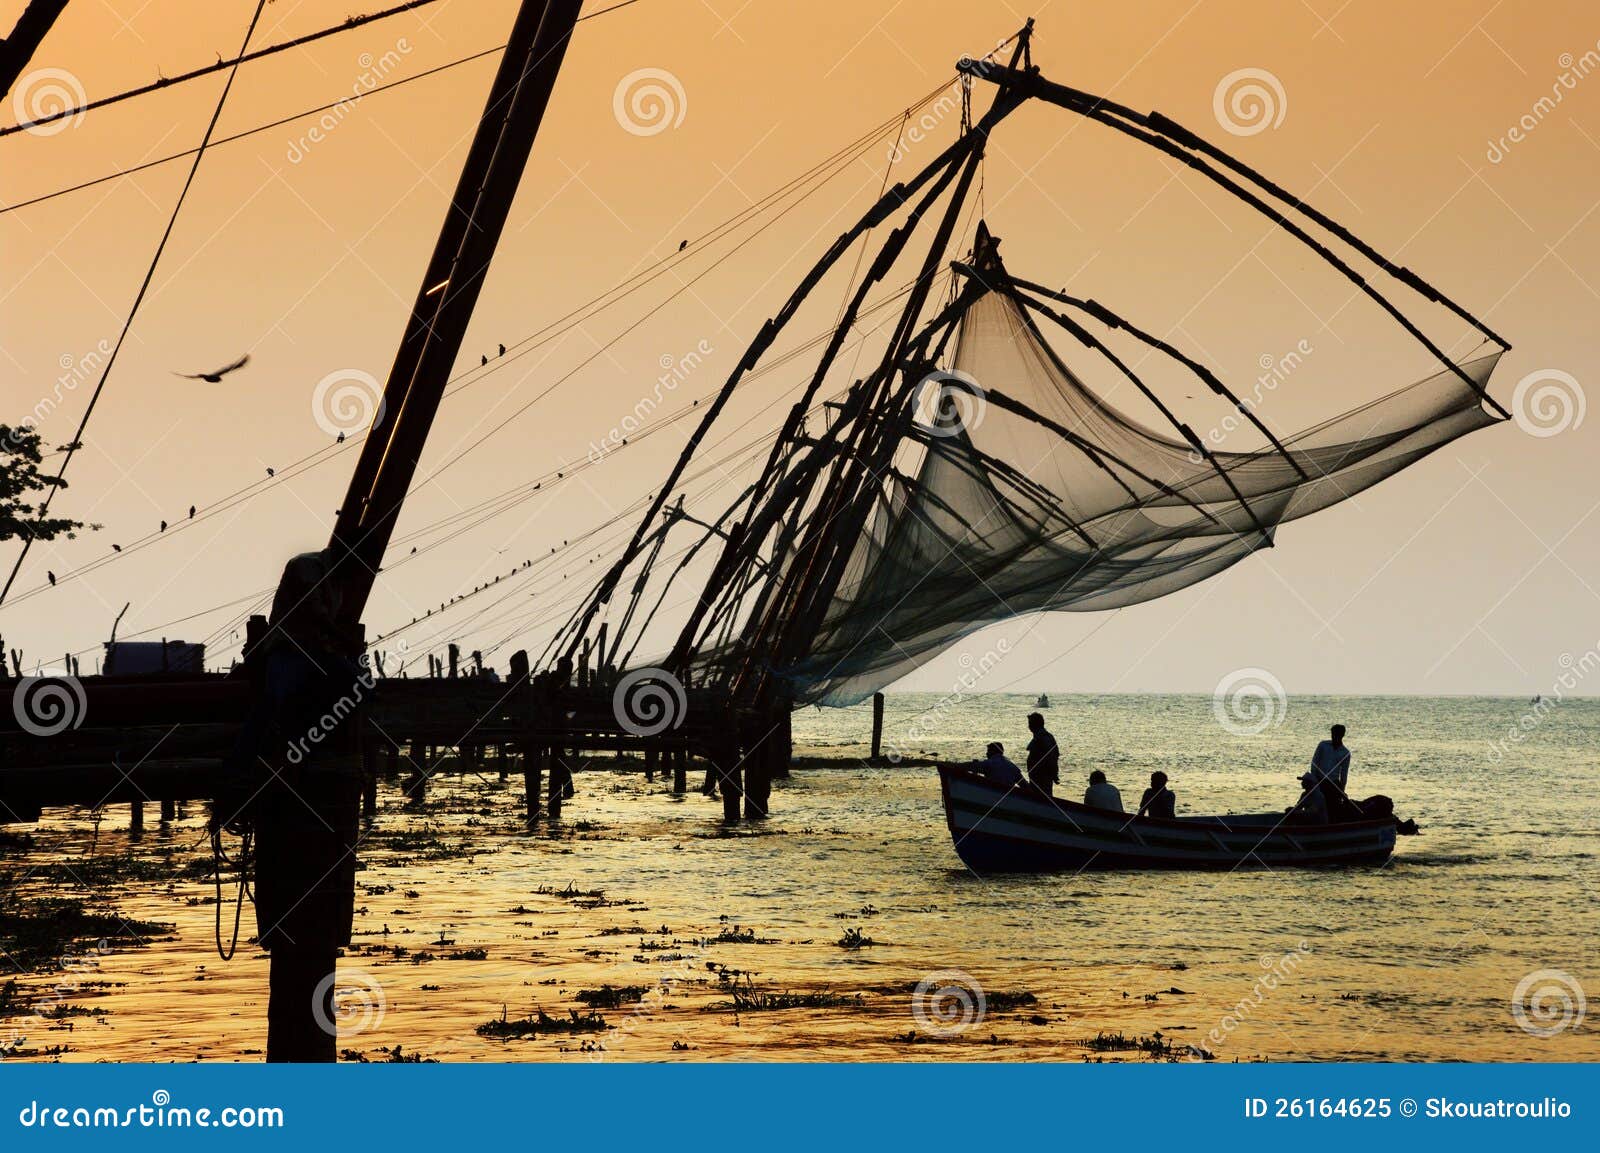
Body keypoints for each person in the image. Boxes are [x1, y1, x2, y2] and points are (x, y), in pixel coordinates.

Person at [1309, 724, 1352, 818]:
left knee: (1333, 808)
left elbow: (1344, 774)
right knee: (1314, 804)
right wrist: (1314, 780)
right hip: (1319, 780)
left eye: (1336, 735)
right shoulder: (1323, 745)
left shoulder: (1345, 753)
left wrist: (1342, 791)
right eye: (1333, 734)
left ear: (1342, 735)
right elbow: (1314, 763)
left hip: (1333, 784)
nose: (1334, 737)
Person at [1025, 712, 1060, 795]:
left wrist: (1054, 774)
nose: (1029, 726)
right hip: (1039, 776)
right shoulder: (1045, 737)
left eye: (1030, 723)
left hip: (1041, 777)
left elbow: (1052, 756)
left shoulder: (1042, 738)